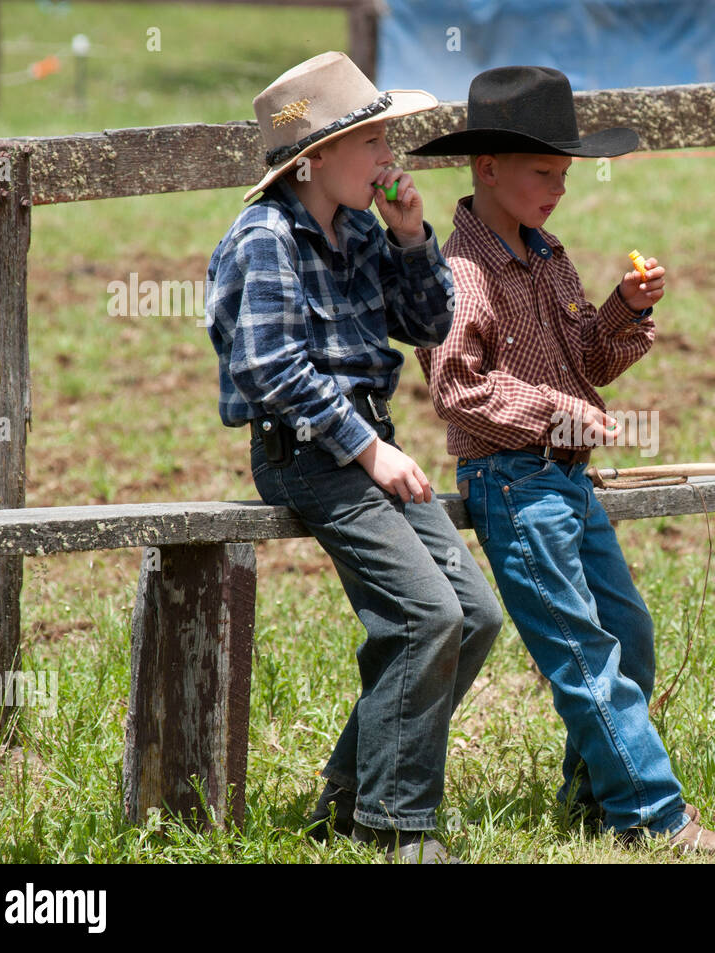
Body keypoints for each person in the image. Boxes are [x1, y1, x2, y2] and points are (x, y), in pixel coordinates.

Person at [411, 66, 715, 860]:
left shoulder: (548, 254)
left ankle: (594, 798)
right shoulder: (460, 273)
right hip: (513, 484)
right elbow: (457, 388)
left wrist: (626, 306)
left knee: (626, 630)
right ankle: (657, 815)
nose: (558, 190)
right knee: (583, 651)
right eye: (543, 173)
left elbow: (588, 359)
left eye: (564, 175)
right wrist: (558, 414)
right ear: (486, 167)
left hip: (564, 480)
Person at [204, 51, 502, 864]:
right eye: (372, 142)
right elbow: (271, 371)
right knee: (425, 615)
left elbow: (430, 324)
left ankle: (347, 790)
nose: (388, 159)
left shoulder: (365, 229)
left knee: (474, 614)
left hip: (367, 445)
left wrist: (412, 240)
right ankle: (399, 823)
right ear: (313, 158)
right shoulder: (264, 240)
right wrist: (368, 450)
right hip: (308, 452)